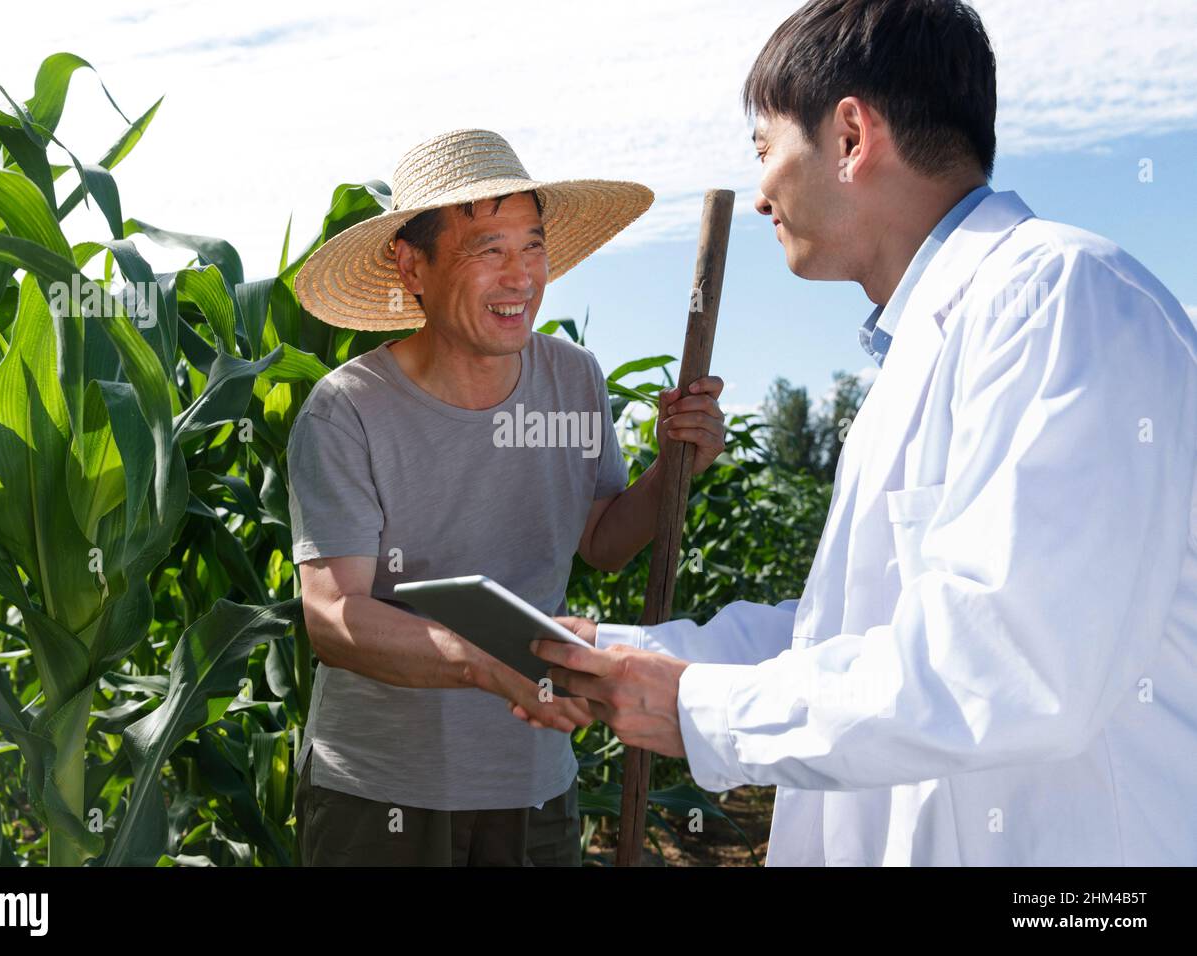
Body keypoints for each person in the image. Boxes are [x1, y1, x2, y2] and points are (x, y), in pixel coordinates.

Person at [524, 0, 1197, 865]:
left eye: (766, 148)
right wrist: (628, 654)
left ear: (849, 136)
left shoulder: (1062, 299)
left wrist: (697, 708)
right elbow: (847, 633)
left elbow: (1013, 666)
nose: (761, 190)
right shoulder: (932, 340)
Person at [287, 129, 726, 865]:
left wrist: (674, 470)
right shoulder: (348, 411)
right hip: (381, 794)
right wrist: (491, 663)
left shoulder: (574, 381)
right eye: (488, 249)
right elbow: (334, 617)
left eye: (533, 246)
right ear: (413, 264)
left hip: (533, 785)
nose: (520, 276)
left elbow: (606, 542)